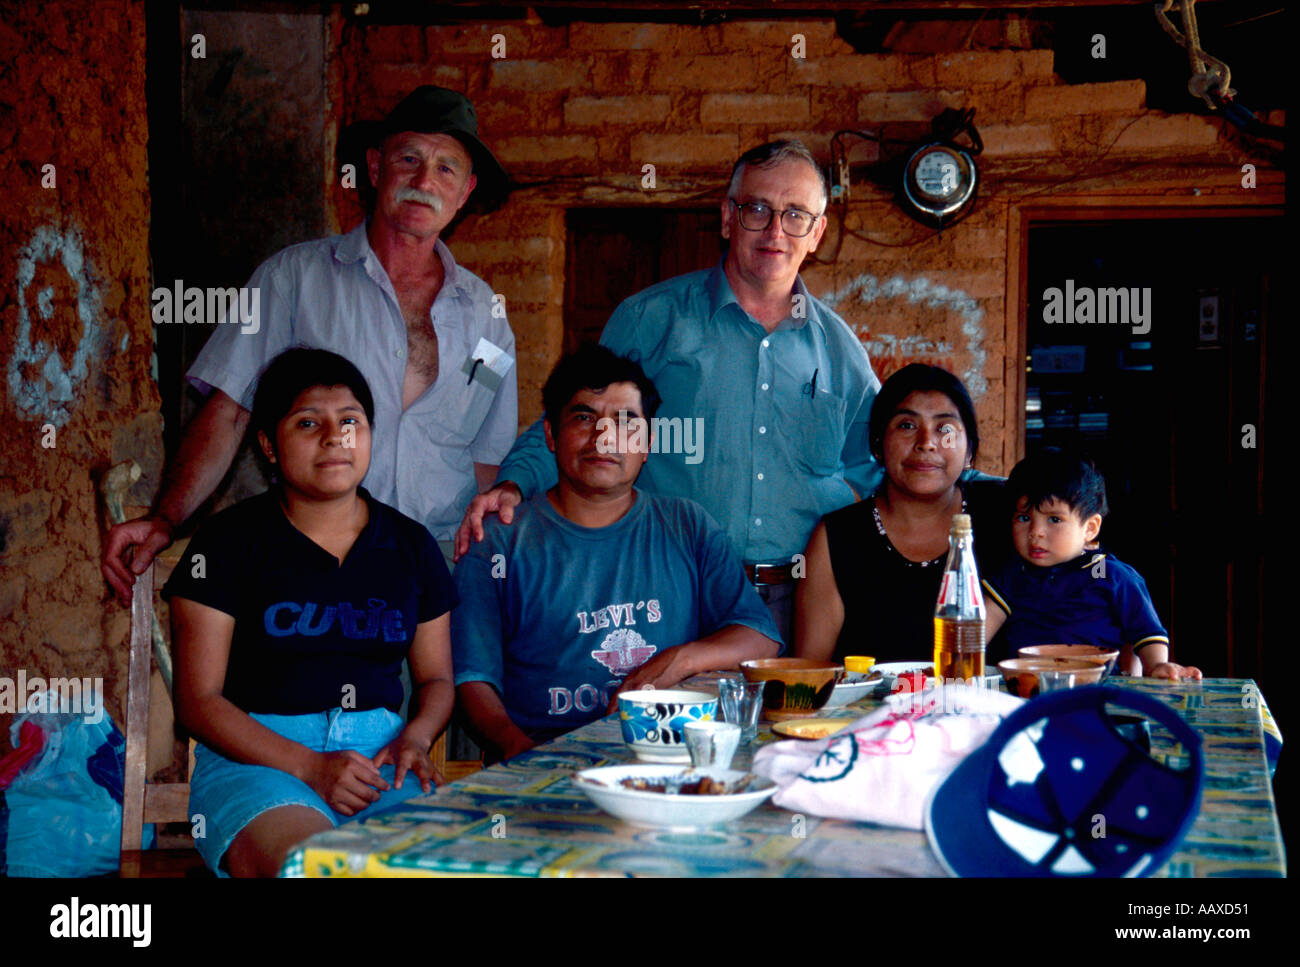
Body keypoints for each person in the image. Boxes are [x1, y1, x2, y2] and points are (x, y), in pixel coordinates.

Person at [455, 140, 880, 644]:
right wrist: (514, 484)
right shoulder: (651, 320)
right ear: (726, 218)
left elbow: (881, 460)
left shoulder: (839, 349)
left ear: (817, 232)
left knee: (794, 726)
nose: (774, 231)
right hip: (668, 590)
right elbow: (579, 419)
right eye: (757, 210)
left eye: (795, 215)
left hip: (805, 607)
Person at [104, 85, 516, 602]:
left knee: (435, 686)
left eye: (446, 168)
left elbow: (488, 456)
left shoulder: (489, 321)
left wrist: (489, 582)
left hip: (438, 576)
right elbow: (230, 409)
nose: (423, 180)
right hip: (311, 567)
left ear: (465, 191)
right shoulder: (292, 281)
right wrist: (166, 517)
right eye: (408, 158)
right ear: (374, 167)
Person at [163, 349, 457, 877]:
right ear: (268, 446)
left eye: (350, 421)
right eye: (307, 422)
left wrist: (415, 738)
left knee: (449, 868)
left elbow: (436, 678)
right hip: (256, 761)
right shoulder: (227, 542)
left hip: (380, 764)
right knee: (320, 870)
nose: (334, 437)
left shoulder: (411, 545)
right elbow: (198, 702)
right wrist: (311, 766)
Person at [452, 345, 781, 760]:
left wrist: (675, 662)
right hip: (541, 759)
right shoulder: (498, 541)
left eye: (626, 422)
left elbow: (760, 638)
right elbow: (473, 680)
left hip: (668, 756)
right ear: (551, 435)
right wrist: (524, 755)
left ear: (647, 445)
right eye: (584, 417)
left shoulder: (687, 525)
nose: (604, 437)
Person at [795, 364, 1008, 663]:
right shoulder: (837, 537)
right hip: (868, 711)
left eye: (945, 429)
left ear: (969, 450)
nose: (926, 443)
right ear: (878, 445)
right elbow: (810, 672)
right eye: (907, 425)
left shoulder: (1008, 517)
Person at [982, 448, 1201, 680]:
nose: (1035, 533)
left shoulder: (1108, 574)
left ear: (1090, 528)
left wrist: (1156, 665)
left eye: (1054, 519)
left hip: (1099, 688)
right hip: (1027, 690)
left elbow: (1147, 631)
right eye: (1024, 518)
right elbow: (977, 631)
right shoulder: (1015, 574)